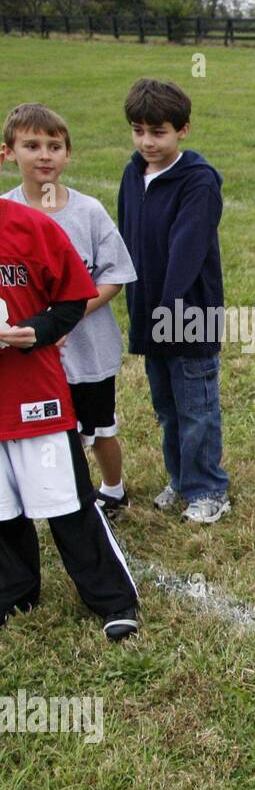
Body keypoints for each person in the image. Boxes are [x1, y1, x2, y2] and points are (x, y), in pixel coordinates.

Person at [0, 194, 139, 640]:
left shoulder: (30, 226)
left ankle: (112, 599)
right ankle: (15, 591)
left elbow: (73, 298)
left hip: (31, 395)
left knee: (68, 503)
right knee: (2, 510)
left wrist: (36, 331)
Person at [1, 103, 137, 515]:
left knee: (99, 429)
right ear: (8, 152)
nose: (45, 154)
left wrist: (68, 316)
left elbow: (115, 274)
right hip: (30, 357)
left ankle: (113, 489)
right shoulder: (6, 213)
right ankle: (67, 500)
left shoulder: (88, 211)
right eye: (32, 145)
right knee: (56, 433)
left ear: (68, 153)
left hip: (88, 348)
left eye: (55, 146)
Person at [117, 78, 230, 523]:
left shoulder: (198, 181)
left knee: (197, 406)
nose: (147, 141)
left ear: (182, 130)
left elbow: (188, 249)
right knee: (166, 407)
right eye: (138, 130)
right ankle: (180, 479)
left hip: (188, 313)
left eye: (158, 131)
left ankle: (208, 490)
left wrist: (168, 308)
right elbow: (126, 235)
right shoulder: (133, 173)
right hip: (147, 310)